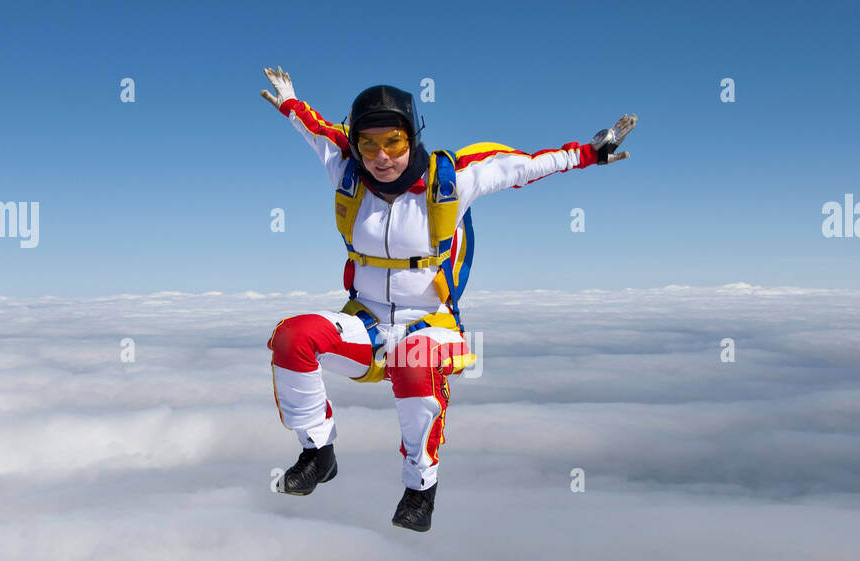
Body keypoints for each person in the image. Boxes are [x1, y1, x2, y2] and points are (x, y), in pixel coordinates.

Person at [259, 66, 634, 532]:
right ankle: (318, 452)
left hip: (433, 326)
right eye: (368, 144)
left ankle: (420, 488)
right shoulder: (346, 169)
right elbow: (318, 131)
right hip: (367, 324)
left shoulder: (453, 181)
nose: (381, 157)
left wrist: (588, 154)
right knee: (292, 337)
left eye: (392, 141)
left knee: (414, 362)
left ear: (412, 136)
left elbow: (524, 166)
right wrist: (291, 101)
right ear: (355, 144)